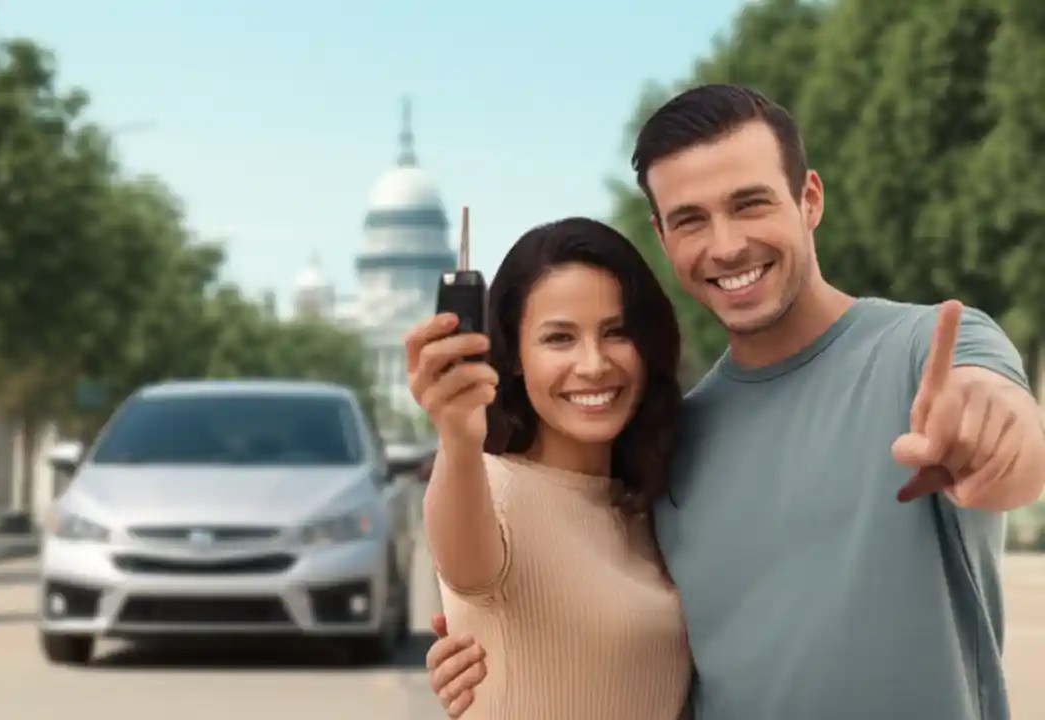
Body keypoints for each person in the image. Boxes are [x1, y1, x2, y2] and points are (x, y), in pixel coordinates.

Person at [421, 84, 1045, 720]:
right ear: (663, 239)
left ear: (810, 200)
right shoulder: (673, 443)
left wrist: (989, 442)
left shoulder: (928, 352)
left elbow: (1011, 436)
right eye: (691, 219)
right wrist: (499, 654)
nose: (726, 246)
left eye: (750, 204)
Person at [404, 216, 693, 719]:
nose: (593, 364)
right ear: (513, 356)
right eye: (560, 338)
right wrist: (457, 438)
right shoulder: (492, 487)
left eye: (617, 332)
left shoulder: (647, 505)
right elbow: (462, 559)